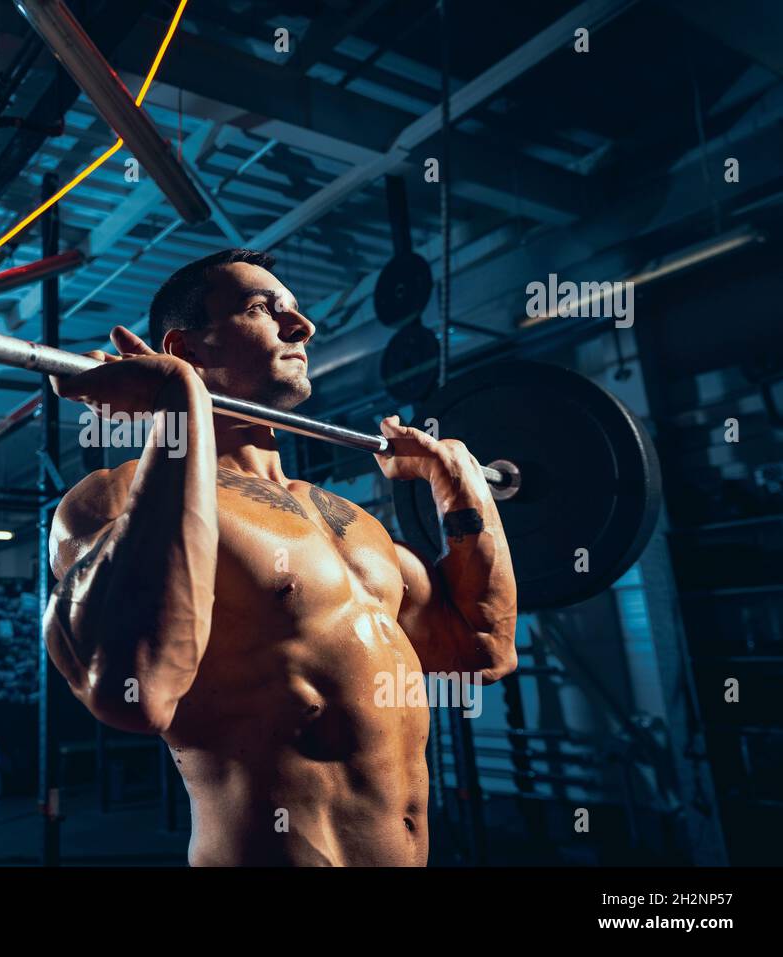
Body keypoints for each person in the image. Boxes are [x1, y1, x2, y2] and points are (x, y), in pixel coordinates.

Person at [43, 248, 517, 866]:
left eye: (297, 311)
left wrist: (460, 488)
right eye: (264, 309)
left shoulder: (354, 524)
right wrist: (178, 410)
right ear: (186, 348)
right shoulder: (116, 496)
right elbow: (134, 691)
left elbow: (483, 649)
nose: (303, 327)